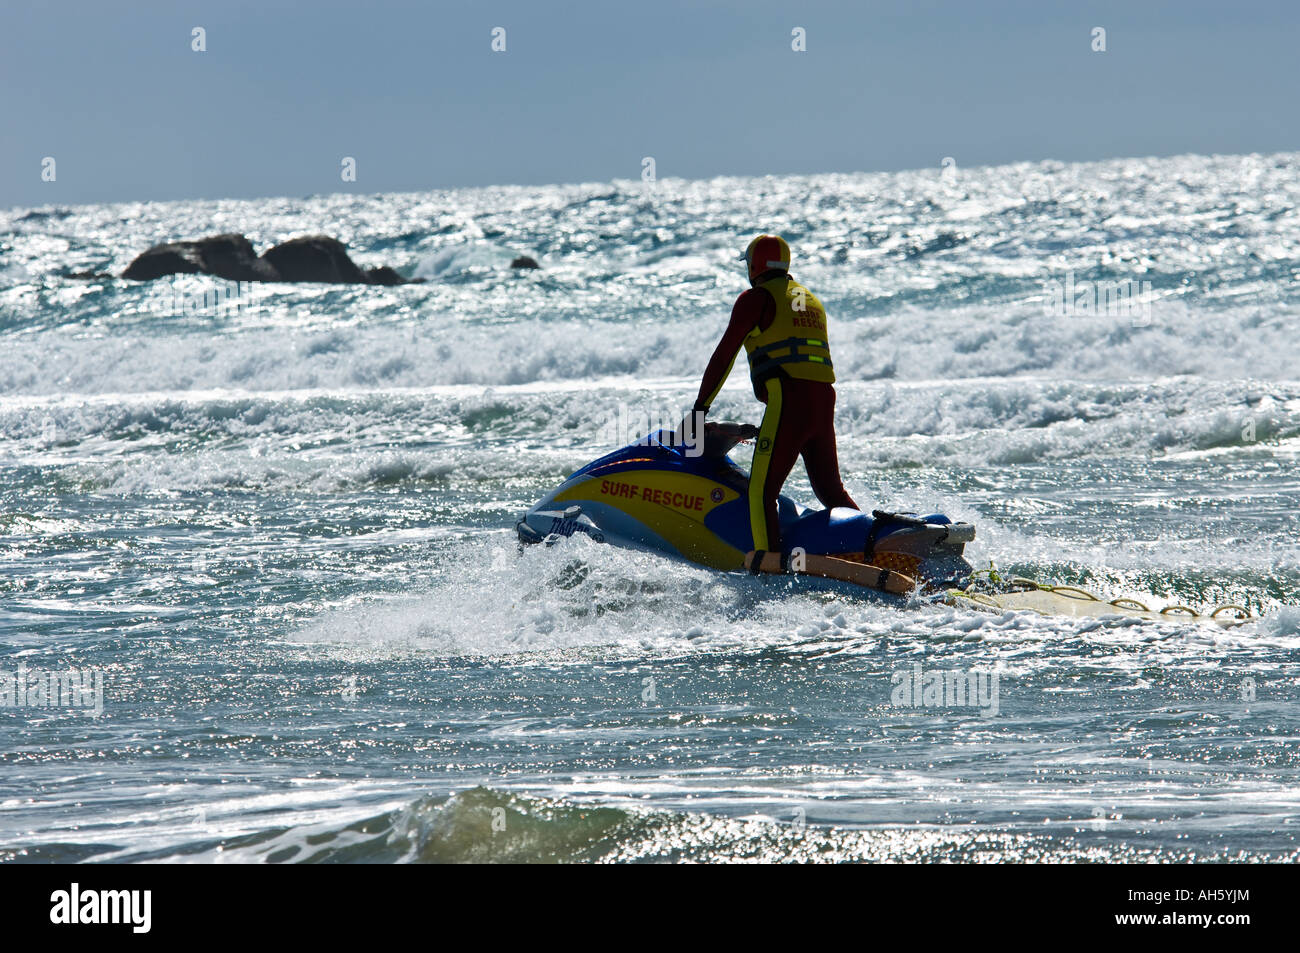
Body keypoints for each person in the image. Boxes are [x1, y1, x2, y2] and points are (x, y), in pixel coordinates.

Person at [686, 234, 858, 556]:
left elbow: (724, 355)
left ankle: (768, 570)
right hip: (823, 401)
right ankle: (875, 544)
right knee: (832, 493)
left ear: (755, 267)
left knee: (761, 493)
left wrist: (700, 407)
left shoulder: (756, 299)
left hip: (788, 400)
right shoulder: (809, 299)